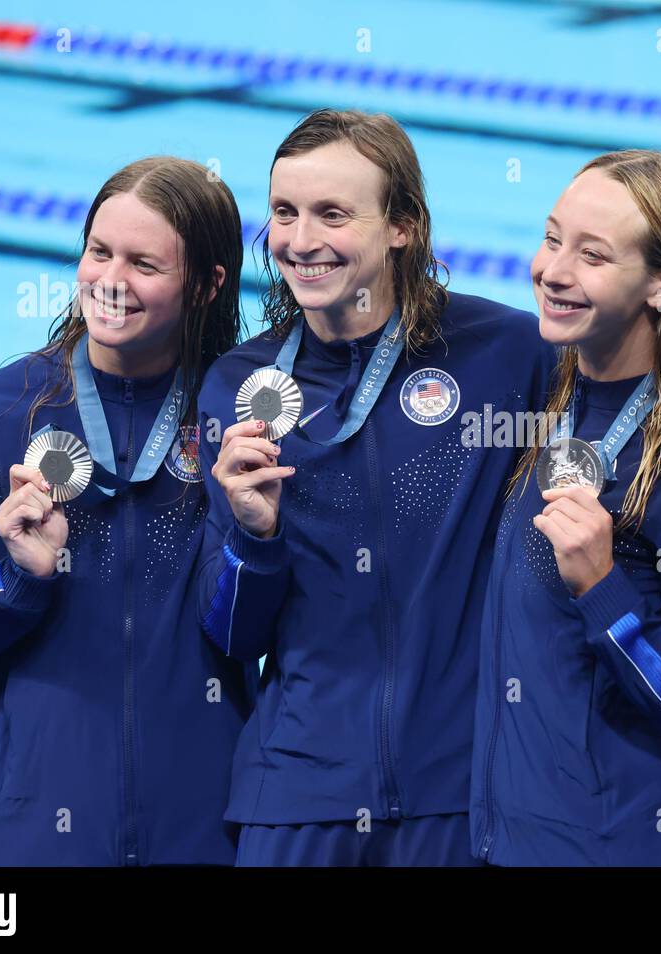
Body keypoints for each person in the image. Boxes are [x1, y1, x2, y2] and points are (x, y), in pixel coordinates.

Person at [195, 109, 555, 866]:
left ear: (402, 227)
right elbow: (230, 636)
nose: (299, 240)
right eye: (285, 212)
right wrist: (253, 539)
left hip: (462, 797)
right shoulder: (238, 385)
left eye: (332, 214)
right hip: (296, 799)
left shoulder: (505, 353)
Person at [0, 156, 252, 865]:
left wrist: (256, 538)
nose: (111, 281)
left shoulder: (234, 421)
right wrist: (17, 579)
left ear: (209, 284)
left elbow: (262, 628)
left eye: (144, 263)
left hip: (204, 832)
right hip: (29, 833)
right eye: (99, 252)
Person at [470, 150, 661, 866]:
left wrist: (605, 592)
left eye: (592, 256)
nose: (553, 270)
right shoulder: (554, 405)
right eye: (553, 239)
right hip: (510, 841)